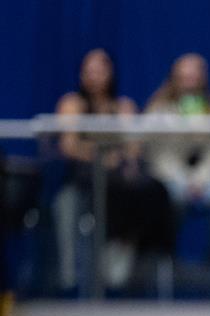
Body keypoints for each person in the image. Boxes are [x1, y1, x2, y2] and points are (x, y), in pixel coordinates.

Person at [51, 49, 171, 291]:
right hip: (83, 180)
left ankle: (129, 252)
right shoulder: (72, 104)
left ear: (111, 73)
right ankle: (78, 276)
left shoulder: (123, 106)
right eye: (89, 71)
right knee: (74, 202)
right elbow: (69, 145)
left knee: (155, 191)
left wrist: (120, 157)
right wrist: (103, 157)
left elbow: (133, 148)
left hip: (118, 184)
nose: (95, 76)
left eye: (100, 70)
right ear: (81, 74)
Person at [143, 54, 210, 222]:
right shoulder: (158, 110)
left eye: (194, 78)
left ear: (203, 80)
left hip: (207, 181)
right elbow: (158, 156)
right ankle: (167, 240)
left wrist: (199, 180)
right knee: (171, 196)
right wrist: (183, 181)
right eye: (184, 78)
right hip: (170, 179)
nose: (189, 84)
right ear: (174, 79)